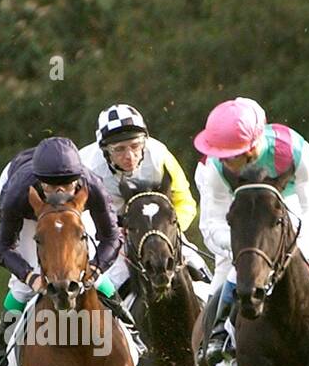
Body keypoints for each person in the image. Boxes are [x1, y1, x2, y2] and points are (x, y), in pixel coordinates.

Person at [192, 97, 309, 366]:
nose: (226, 162)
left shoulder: (294, 149)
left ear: (253, 146)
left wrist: (290, 243)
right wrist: (245, 250)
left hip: (283, 203)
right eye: (222, 156)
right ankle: (214, 340)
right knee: (224, 277)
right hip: (239, 216)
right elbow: (210, 225)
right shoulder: (212, 169)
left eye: (233, 156)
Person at [0, 136, 134, 366]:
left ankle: (131, 332)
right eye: (52, 188)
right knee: (22, 288)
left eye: (66, 186)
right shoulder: (17, 193)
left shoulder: (91, 185)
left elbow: (110, 236)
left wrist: (96, 269)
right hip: (30, 211)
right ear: (40, 182)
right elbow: (1, 247)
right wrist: (30, 276)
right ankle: (2, 358)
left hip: (73, 213)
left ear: (78, 180)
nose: (59, 194)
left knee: (93, 276)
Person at [78, 103, 212, 294]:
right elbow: (81, 216)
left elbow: (185, 202)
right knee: (110, 280)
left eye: (135, 146)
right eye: (119, 149)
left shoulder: (159, 156)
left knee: (196, 264)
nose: (129, 156)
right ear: (105, 151)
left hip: (158, 227)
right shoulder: (88, 168)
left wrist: (166, 229)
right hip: (107, 231)